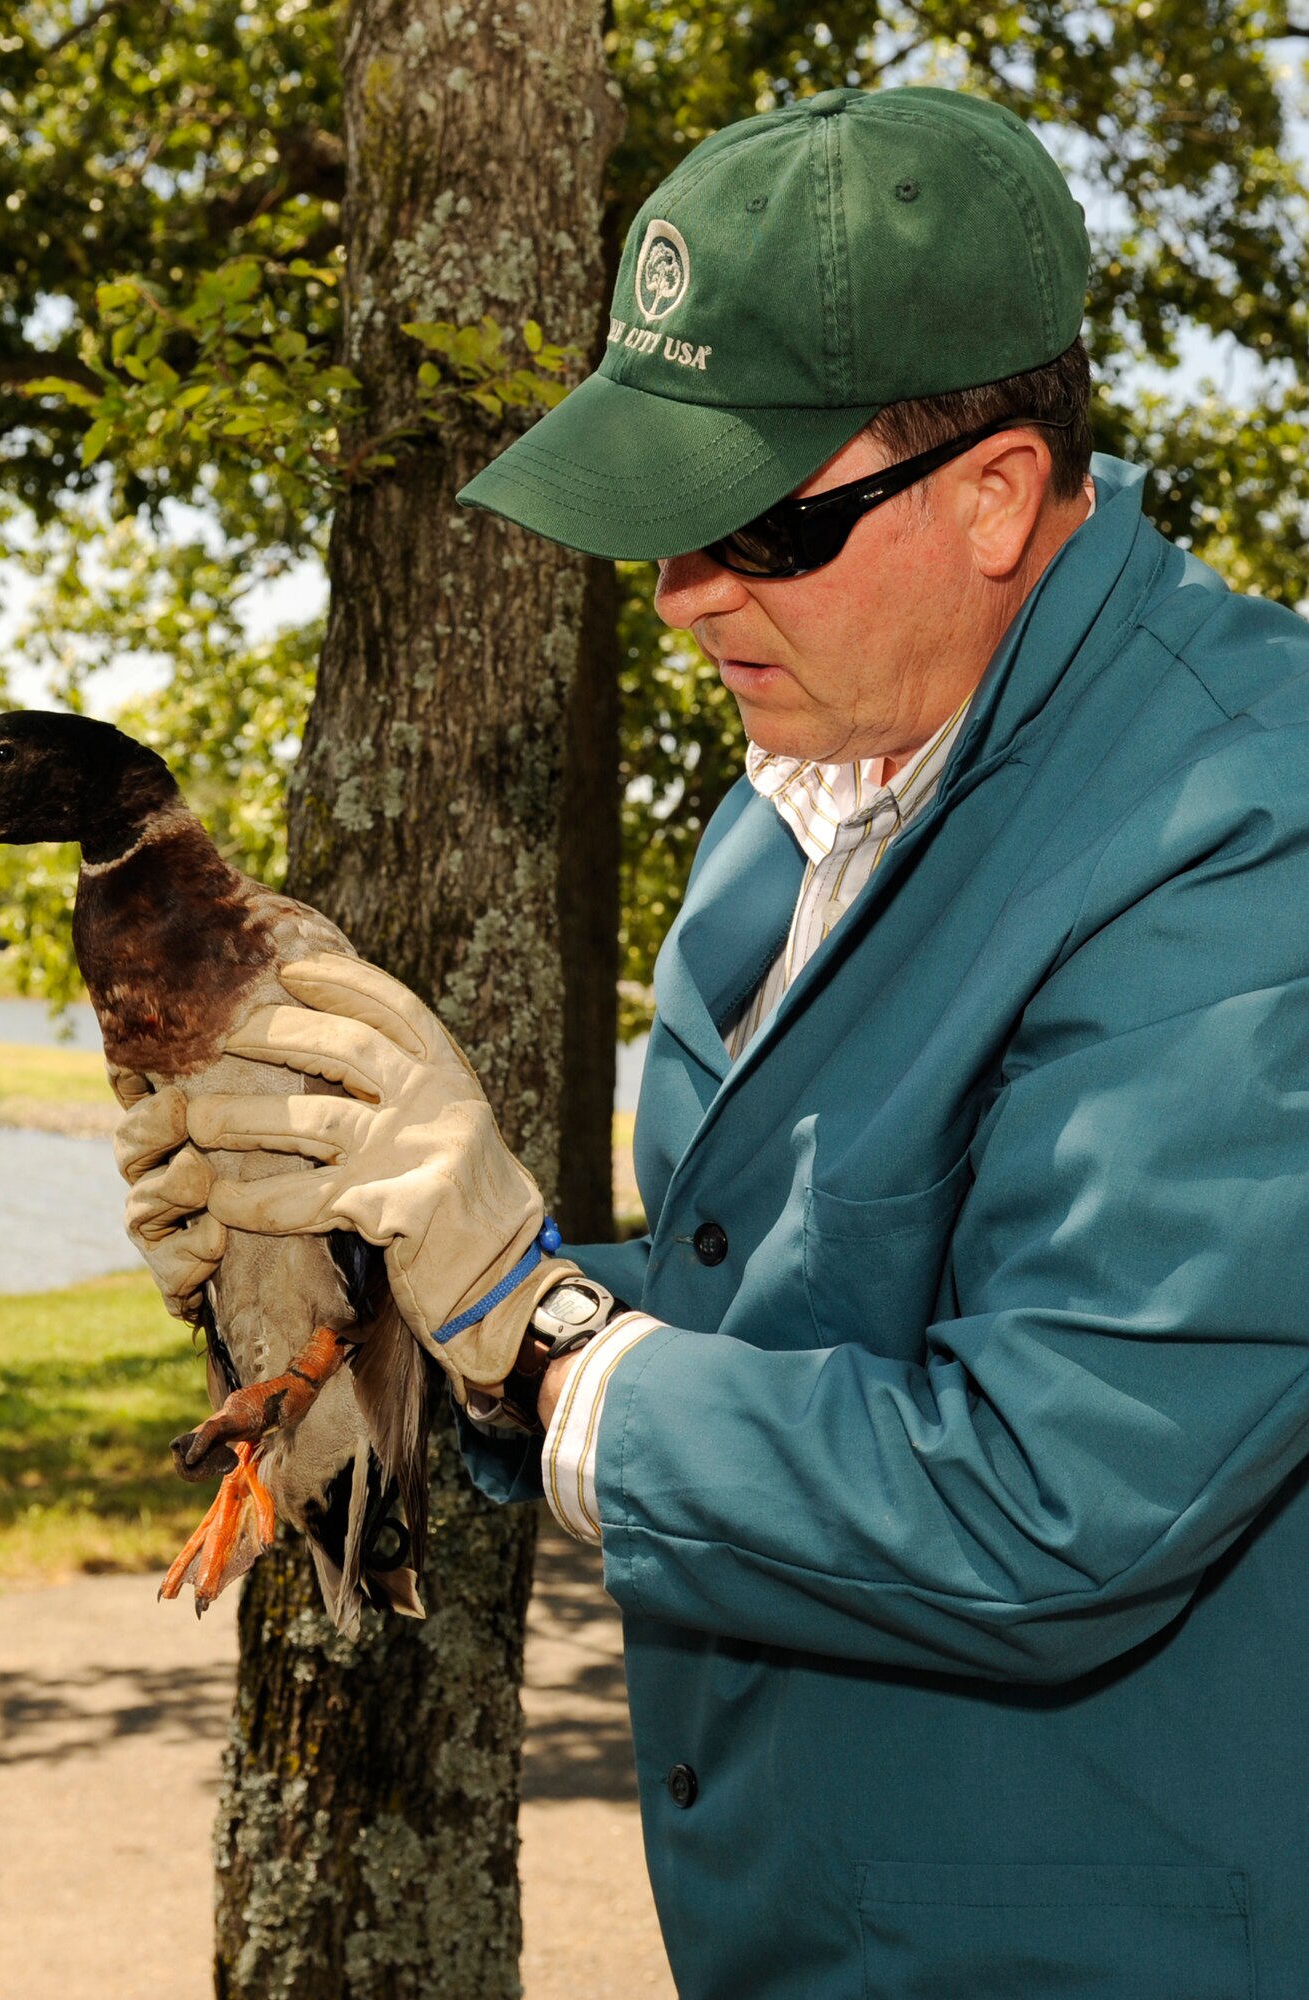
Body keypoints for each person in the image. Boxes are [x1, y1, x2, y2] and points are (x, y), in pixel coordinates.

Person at [120, 86, 1309, 1998]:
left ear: (996, 493)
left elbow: (1051, 1498)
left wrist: (530, 1315)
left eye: (758, 521)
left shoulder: (1248, 824)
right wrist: (382, 1311)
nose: (682, 595)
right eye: (663, 521)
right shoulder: (792, 807)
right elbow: (762, 1319)